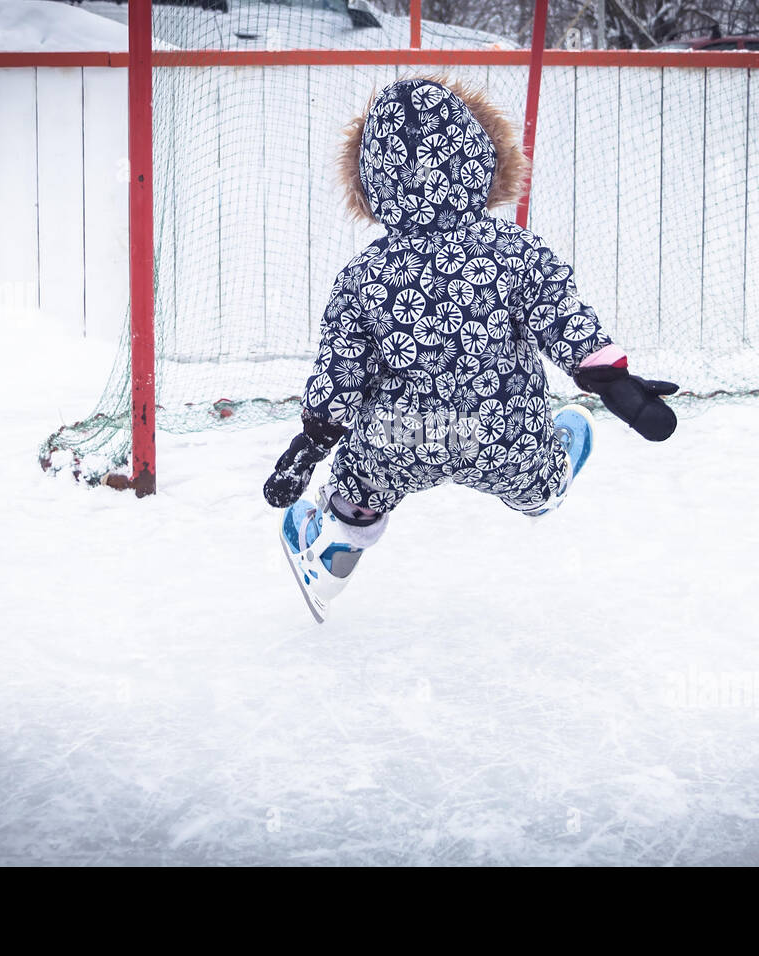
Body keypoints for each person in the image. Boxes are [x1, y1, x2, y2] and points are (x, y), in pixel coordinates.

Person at [264, 76, 677, 621]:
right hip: (498, 429)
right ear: (480, 158)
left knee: (363, 474)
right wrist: (615, 383)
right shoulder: (515, 251)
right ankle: (538, 486)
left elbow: (342, 373)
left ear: (372, 181)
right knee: (528, 459)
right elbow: (564, 319)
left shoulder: (364, 274)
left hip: (402, 436)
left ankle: (339, 544)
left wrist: (312, 441)